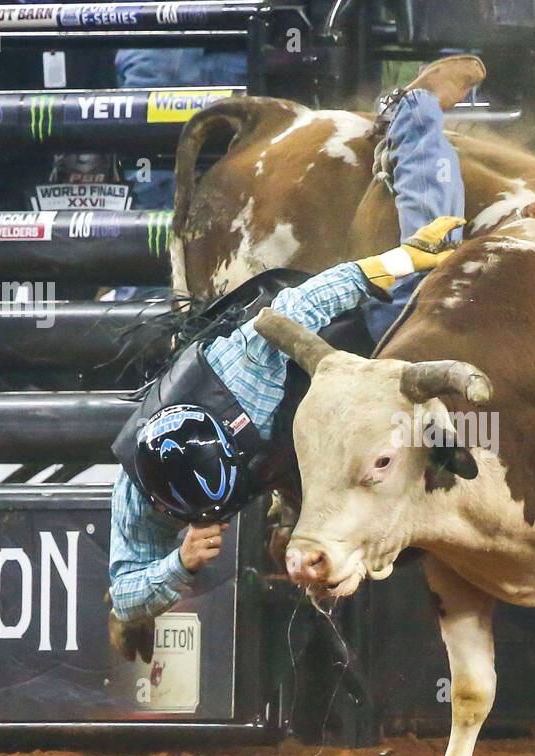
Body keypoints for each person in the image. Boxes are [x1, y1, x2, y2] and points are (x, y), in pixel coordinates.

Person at [107, 56, 485, 630]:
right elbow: (124, 593)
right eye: (170, 508)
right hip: (299, 410)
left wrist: (402, 257)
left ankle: (414, 117)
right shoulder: (141, 483)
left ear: (233, 446)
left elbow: (299, 308)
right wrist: (176, 564)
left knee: (422, 281)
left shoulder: (245, 386)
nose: (166, 511)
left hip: (315, 344)